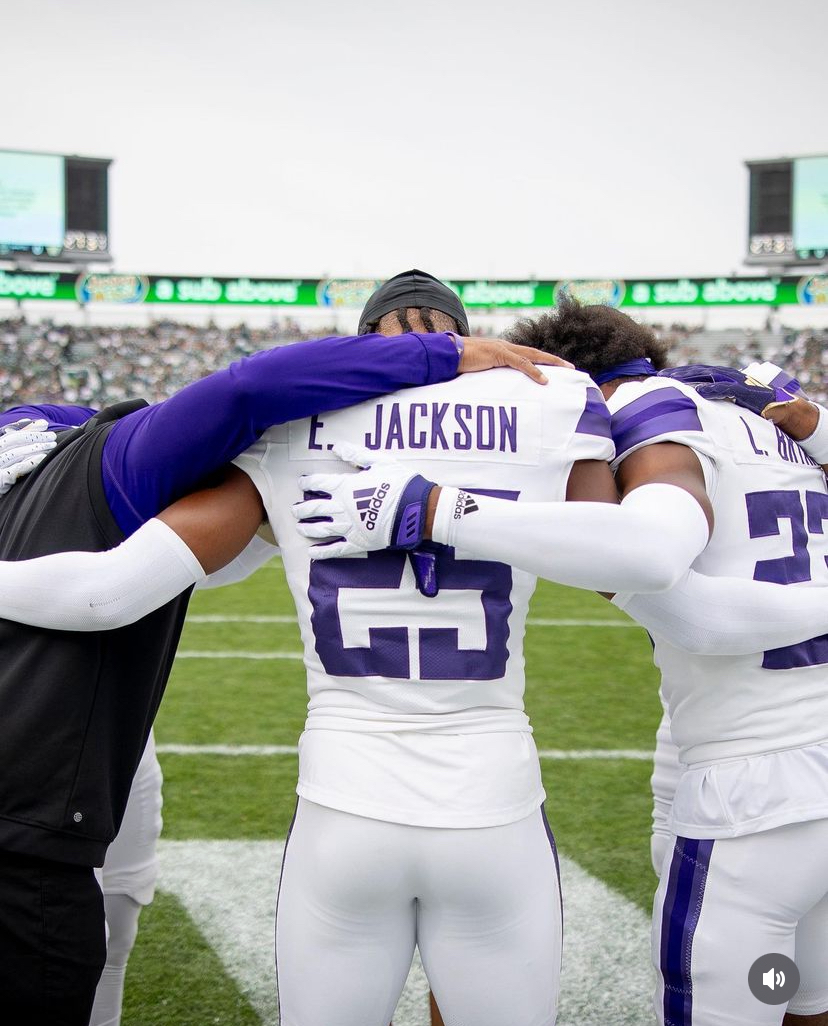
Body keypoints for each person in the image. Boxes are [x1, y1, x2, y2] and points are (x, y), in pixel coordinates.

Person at [0, 323, 553, 1026]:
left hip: (346, 796)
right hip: (482, 782)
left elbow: (115, 588)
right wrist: (442, 366)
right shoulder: (110, 460)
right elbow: (251, 392)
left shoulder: (256, 455)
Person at [300, 299, 828, 1026]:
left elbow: (677, 593)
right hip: (791, 768)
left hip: (758, 798)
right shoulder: (775, 420)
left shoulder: (648, 409)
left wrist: (440, 508)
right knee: (801, 995)